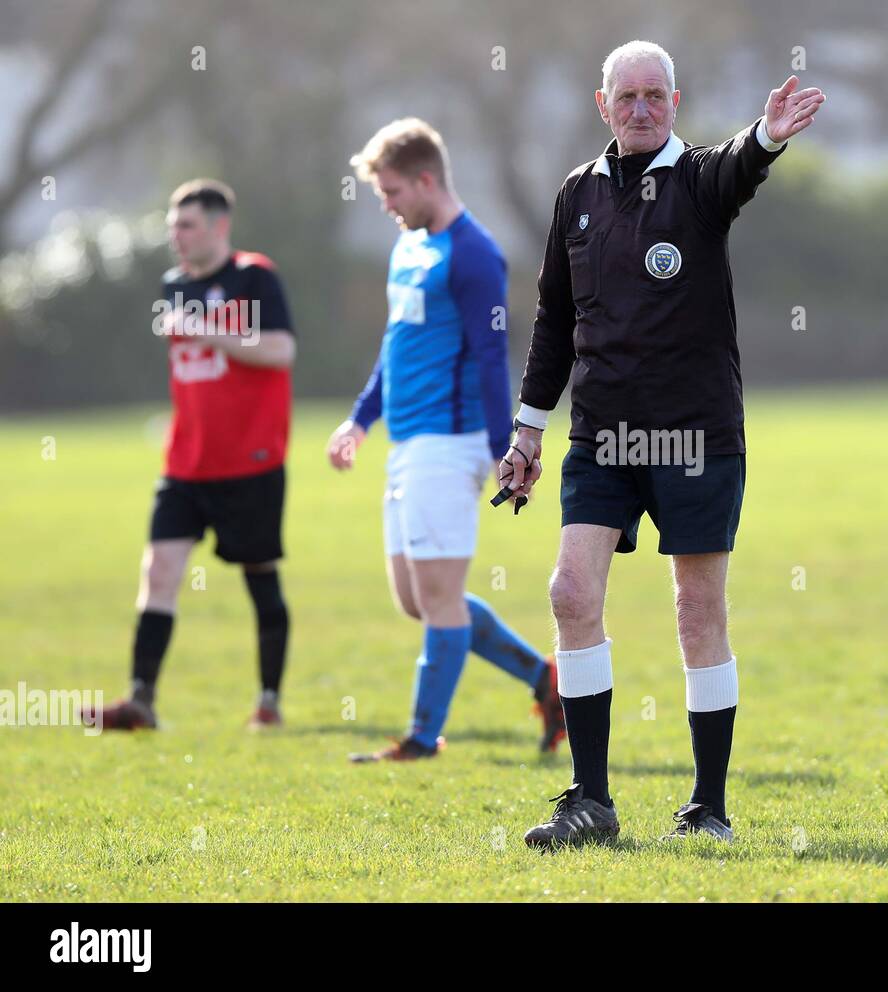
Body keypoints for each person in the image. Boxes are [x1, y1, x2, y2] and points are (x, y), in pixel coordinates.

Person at [499, 41, 825, 846]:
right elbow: (555, 322)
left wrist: (768, 138)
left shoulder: (701, 182)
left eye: (655, 95)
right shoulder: (576, 193)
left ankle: (708, 806)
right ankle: (590, 803)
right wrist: (529, 428)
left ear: (674, 103)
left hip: (695, 437)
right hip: (603, 435)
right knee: (570, 594)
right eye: (627, 96)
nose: (641, 108)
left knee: (696, 609)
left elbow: (738, 168)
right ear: (602, 104)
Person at [328, 118, 566, 762]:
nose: (386, 205)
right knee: (418, 600)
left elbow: (493, 357)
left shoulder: (475, 254)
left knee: (436, 599)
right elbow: (395, 346)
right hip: (406, 444)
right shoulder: (408, 248)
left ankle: (421, 737)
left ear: (427, 180)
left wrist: (501, 447)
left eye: (393, 192)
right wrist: (360, 417)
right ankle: (548, 682)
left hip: (451, 442)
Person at [92, 179, 297, 731]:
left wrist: (207, 331)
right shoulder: (172, 283)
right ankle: (141, 700)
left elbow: (281, 350)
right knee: (158, 570)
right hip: (185, 462)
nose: (176, 237)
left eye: (187, 225)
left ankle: (270, 701)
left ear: (219, 226)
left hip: (250, 460)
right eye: (172, 227)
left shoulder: (254, 277)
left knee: (259, 574)